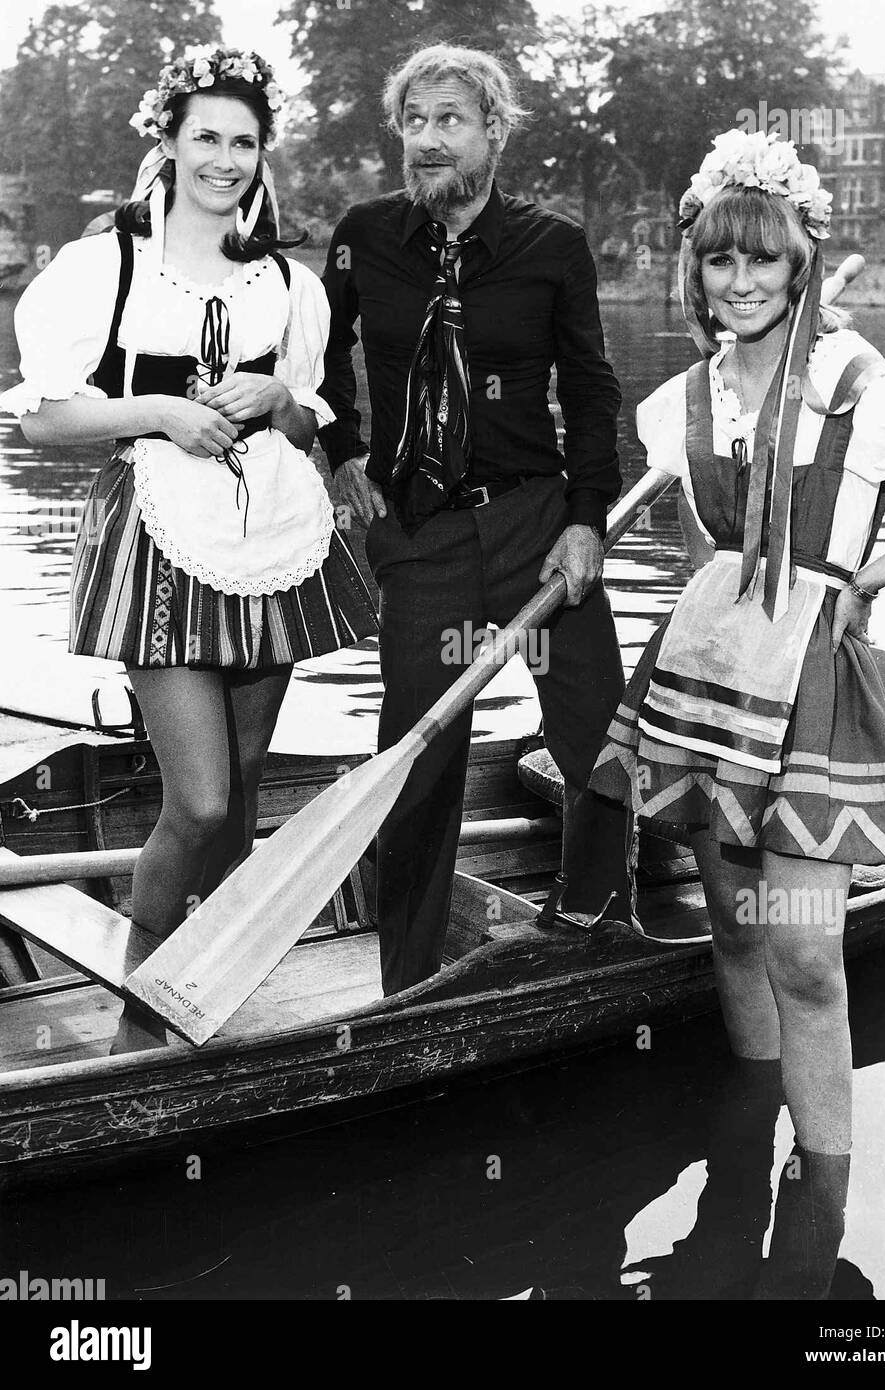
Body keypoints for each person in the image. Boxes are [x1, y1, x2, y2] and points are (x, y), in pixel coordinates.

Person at [590, 129, 885, 1296]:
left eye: (766, 259)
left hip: (813, 686)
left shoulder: (867, 386)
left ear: (806, 260)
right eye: (721, 261)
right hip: (709, 683)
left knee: (807, 949)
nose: (743, 281)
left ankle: (820, 1202)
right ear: (696, 269)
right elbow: (703, 546)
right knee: (730, 917)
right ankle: (750, 1103)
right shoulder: (679, 403)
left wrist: (863, 582)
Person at [0, 46, 377, 1053]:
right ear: (166, 142)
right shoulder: (105, 266)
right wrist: (163, 408)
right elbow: (41, 422)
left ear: (263, 154)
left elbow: (309, 426)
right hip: (161, 540)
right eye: (204, 136)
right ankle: (141, 1014)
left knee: (246, 782)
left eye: (242, 141)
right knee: (200, 796)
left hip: (275, 538)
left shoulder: (289, 289)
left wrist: (280, 401)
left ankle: (213, 983)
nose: (223, 158)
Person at [319, 44, 632, 996]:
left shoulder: (551, 246)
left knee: (598, 739)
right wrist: (341, 456)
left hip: (539, 527)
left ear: (495, 130)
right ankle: (406, 983)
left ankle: (594, 927)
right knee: (416, 762)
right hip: (423, 537)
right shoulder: (365, 237)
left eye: (448, 119)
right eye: (414, 122)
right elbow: (315, 357)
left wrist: (587, 520)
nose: (426, 140)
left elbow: (588, 390)